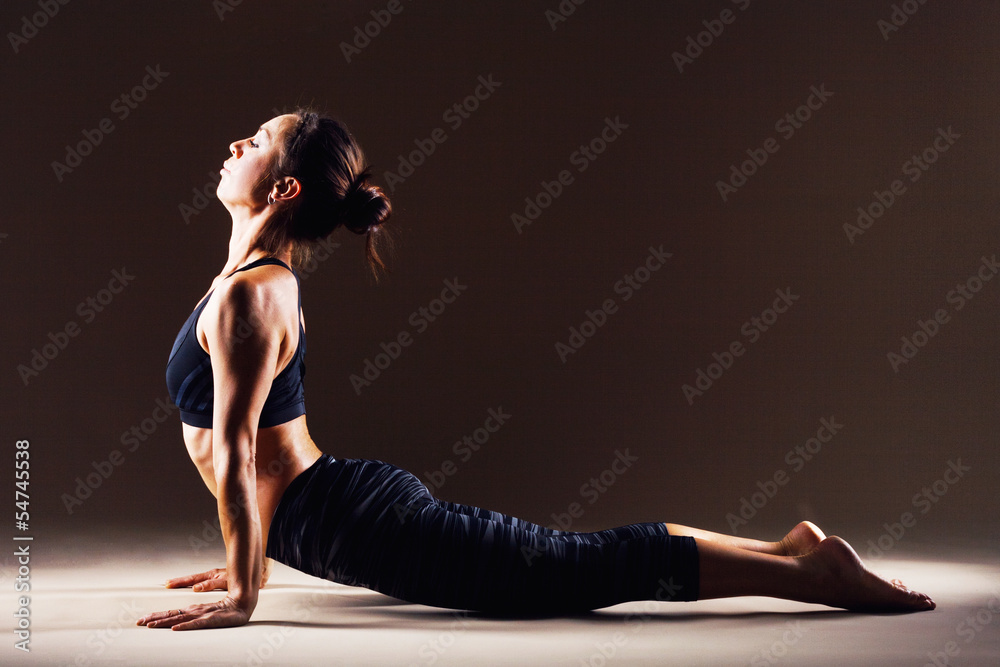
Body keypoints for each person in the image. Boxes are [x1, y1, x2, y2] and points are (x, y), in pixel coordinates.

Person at [138, 110, 935, 631]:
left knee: (567, 570)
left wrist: (245, 589)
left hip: (354, 522)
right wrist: (256, 550)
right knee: (563, 560)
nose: (235, 143)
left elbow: (241, 451)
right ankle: (790, 549)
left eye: (256, 140)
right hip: (327, 512)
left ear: (282, 187)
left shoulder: (254, 296)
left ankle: (810, 573)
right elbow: (255, 449)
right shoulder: (249, 281)